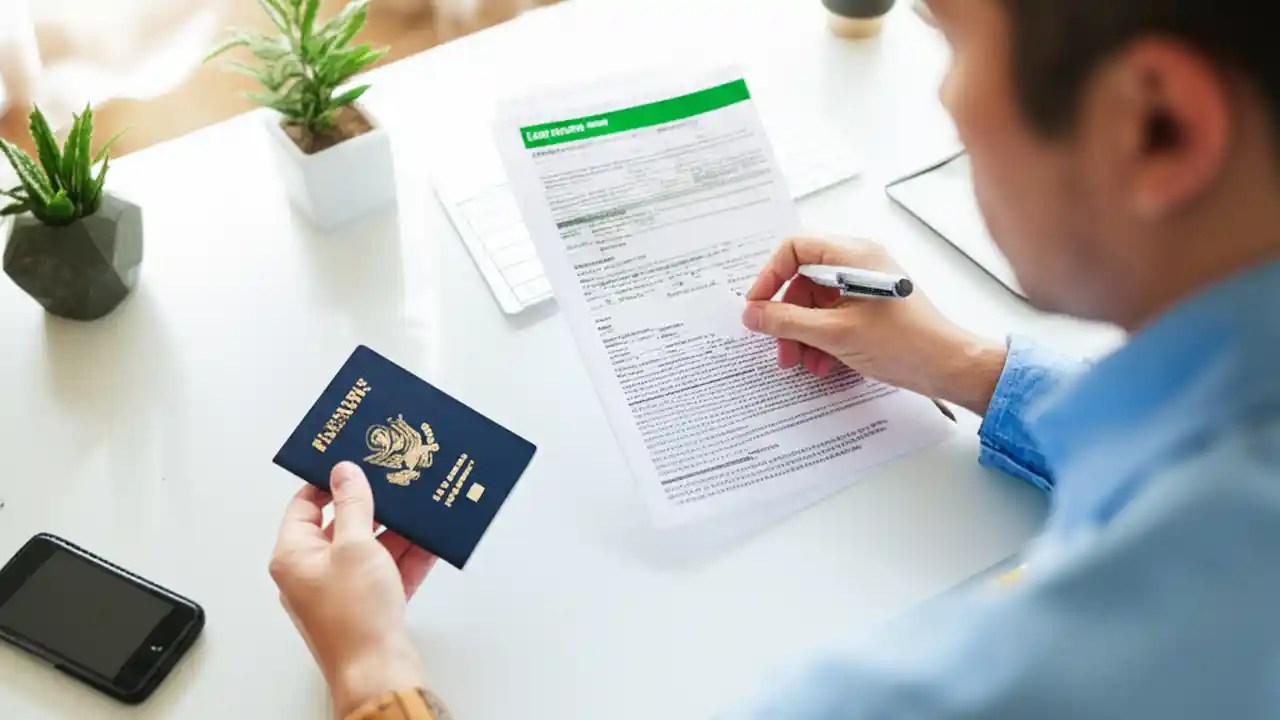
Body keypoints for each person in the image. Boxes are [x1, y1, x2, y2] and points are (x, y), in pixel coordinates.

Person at [268, 0, 1280, 717]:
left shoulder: (1027, 669)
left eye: (951, 38)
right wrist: (969, 366)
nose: (946, 103)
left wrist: (372, 677)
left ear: (1155, 126)